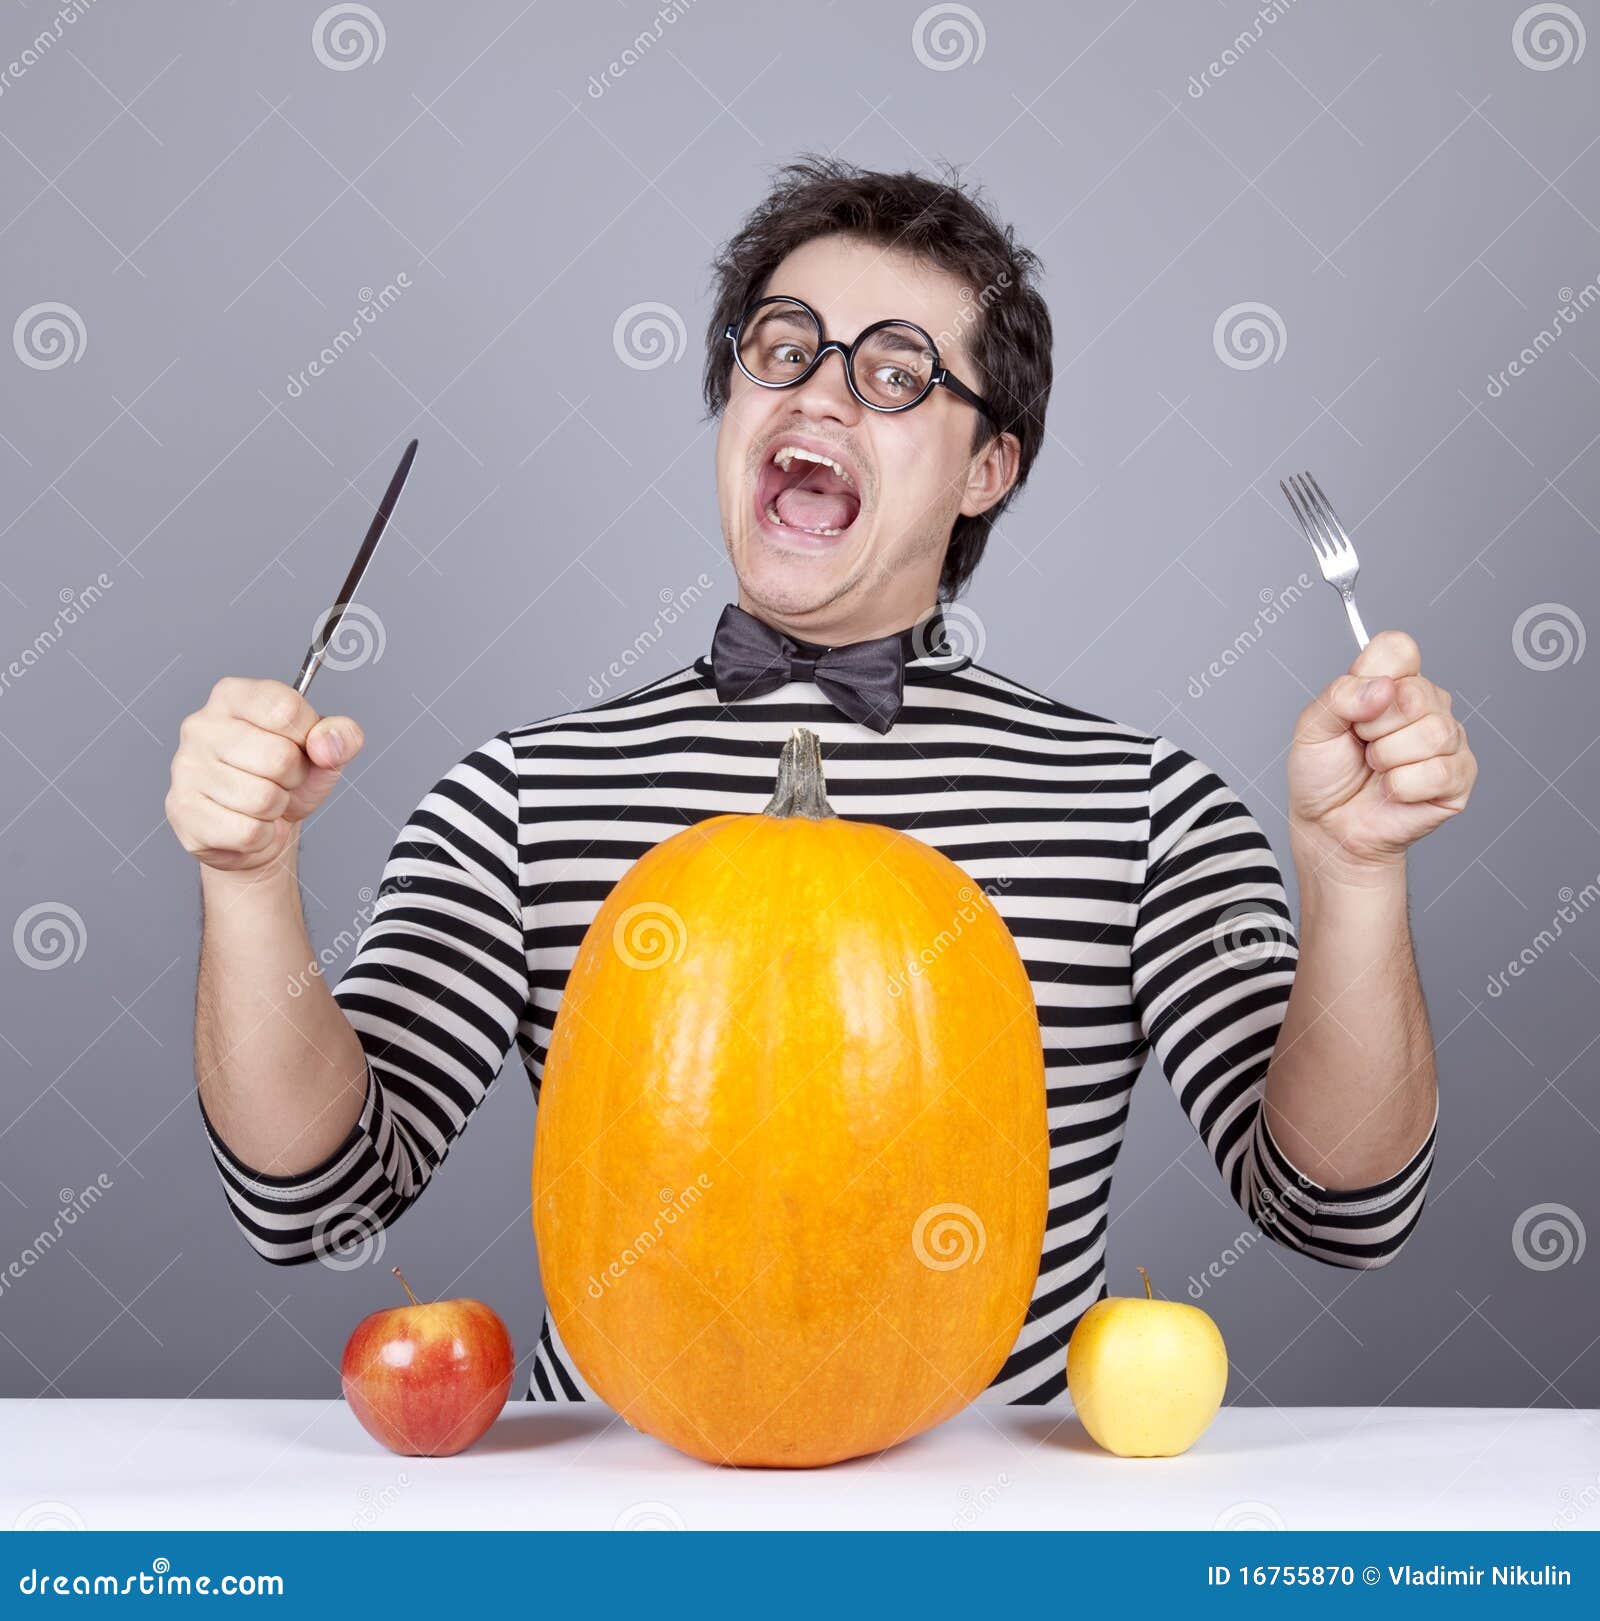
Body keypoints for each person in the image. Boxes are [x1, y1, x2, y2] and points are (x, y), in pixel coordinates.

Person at [165, 157, 1477, 1408]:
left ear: (987, 469)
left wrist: (1357, 879)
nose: (819, 394)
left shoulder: (1150, 807)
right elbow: (314, 1200)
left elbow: (1338, 1210)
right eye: (782, 348)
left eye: (899, 372)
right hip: (619, 1503)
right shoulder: (517, 798)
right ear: (733, 405)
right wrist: (248, 883)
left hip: (991, 1523)